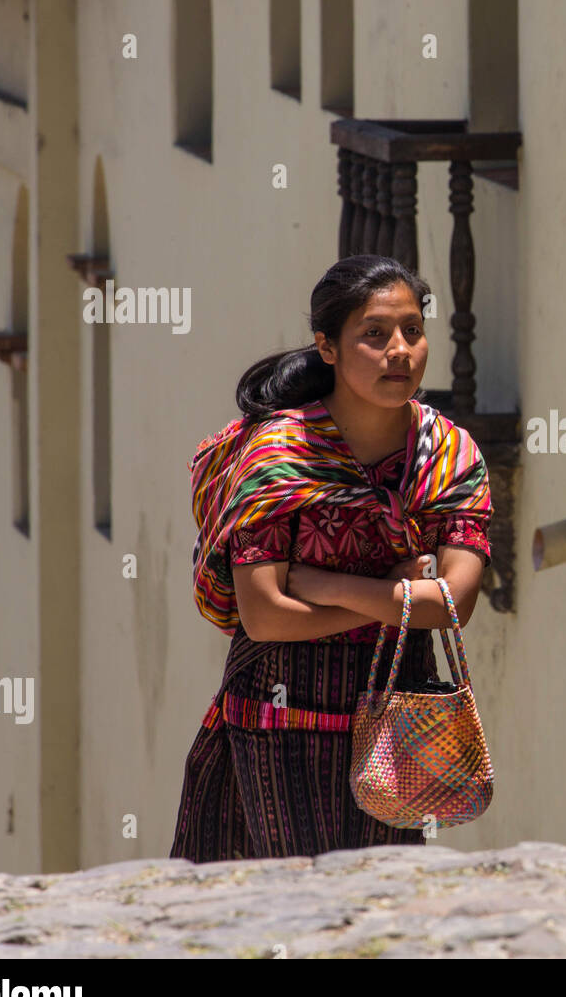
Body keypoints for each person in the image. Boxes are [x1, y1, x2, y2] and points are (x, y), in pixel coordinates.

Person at [170, 254, 492, 861]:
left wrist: (326, 584)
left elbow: (452, 604)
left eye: (413, 332)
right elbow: (265, 618)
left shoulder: (447, 455)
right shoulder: (279, 457)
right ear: (328, 346)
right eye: (374, 334)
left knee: (386, 908)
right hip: (281, 719)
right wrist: (398, 597)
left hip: (399, 728)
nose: (400, 350)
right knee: (298, 904)